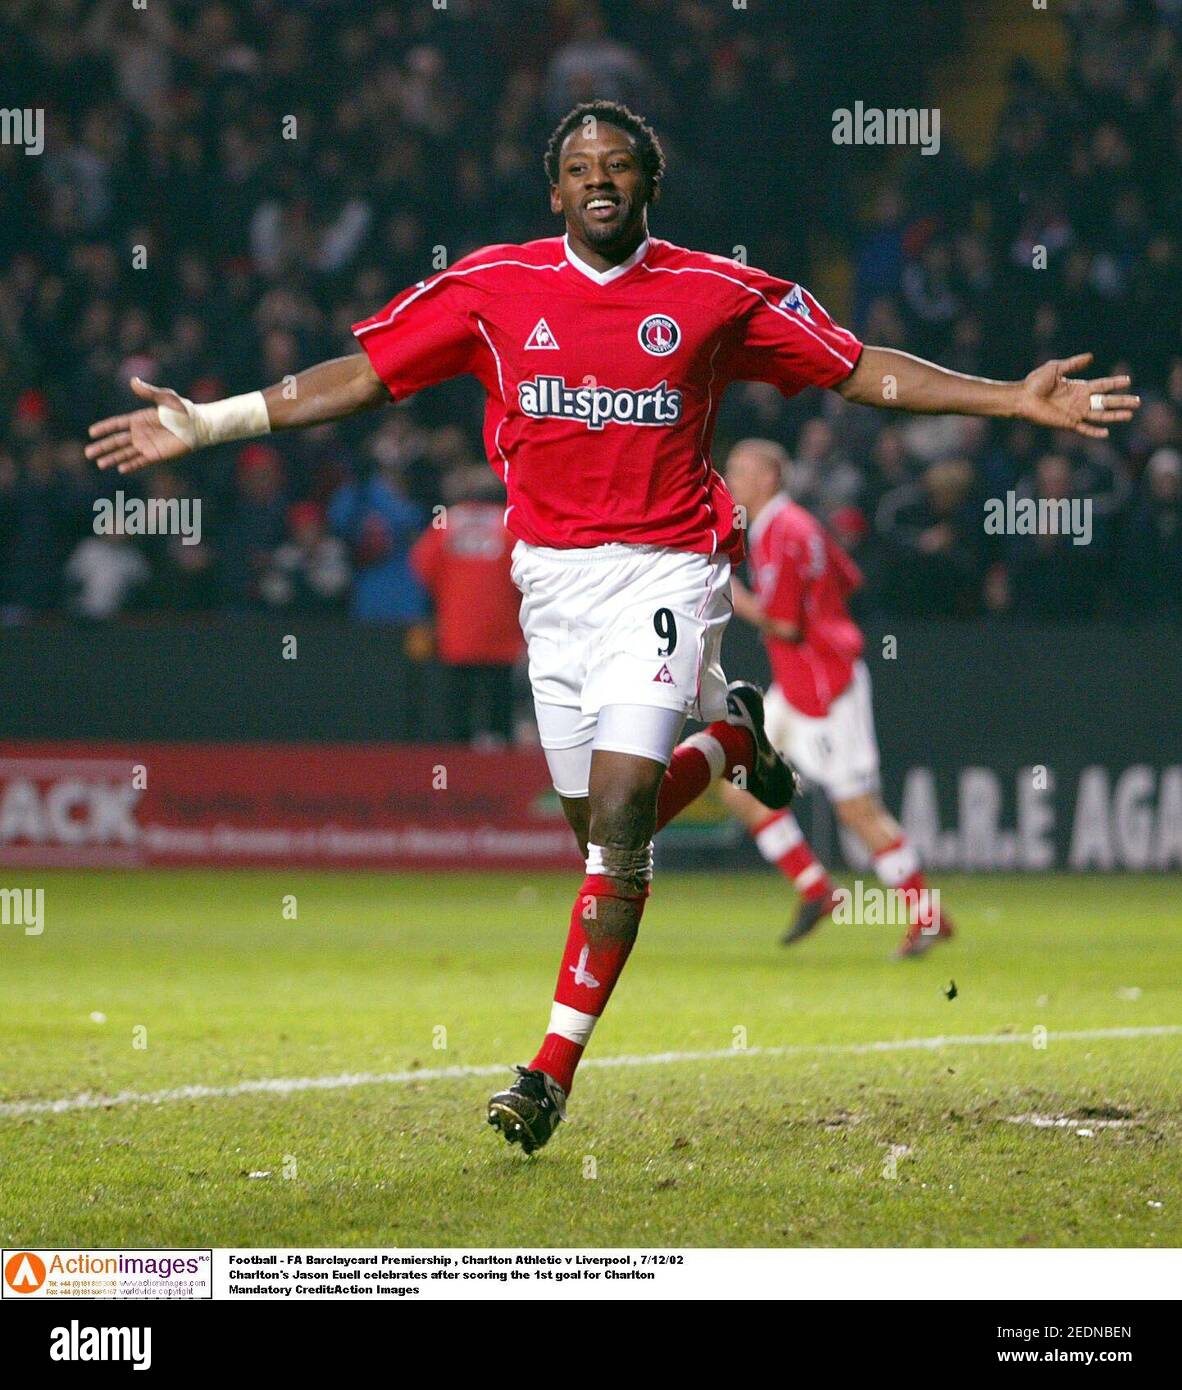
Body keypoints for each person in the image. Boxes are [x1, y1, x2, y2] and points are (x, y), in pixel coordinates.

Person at [85, 100, 1140, 1153]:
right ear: (555, 191)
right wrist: (208, 422)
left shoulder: (717, 292)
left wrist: (1010, 400)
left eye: (620, 163)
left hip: (669, 570)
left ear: (648, 184)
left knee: (626, 815)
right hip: (550, 588)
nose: (600, 177)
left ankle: (549, 1069)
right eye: (581, 164)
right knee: (598, 838)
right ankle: (733, 740)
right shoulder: (493, 288)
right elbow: (363, 375)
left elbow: (858, 366)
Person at [721, 438, 950, 959]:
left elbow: (782, 621)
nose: (729, 481)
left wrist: (733, 594)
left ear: (768, 479)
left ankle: (927, 916)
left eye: (739, 471)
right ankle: (816, 889)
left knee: (857, 810)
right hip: (797, 680)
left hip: (825, 687)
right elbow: (848, 578)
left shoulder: (782, 530)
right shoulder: (795, 524)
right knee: (738, 782)